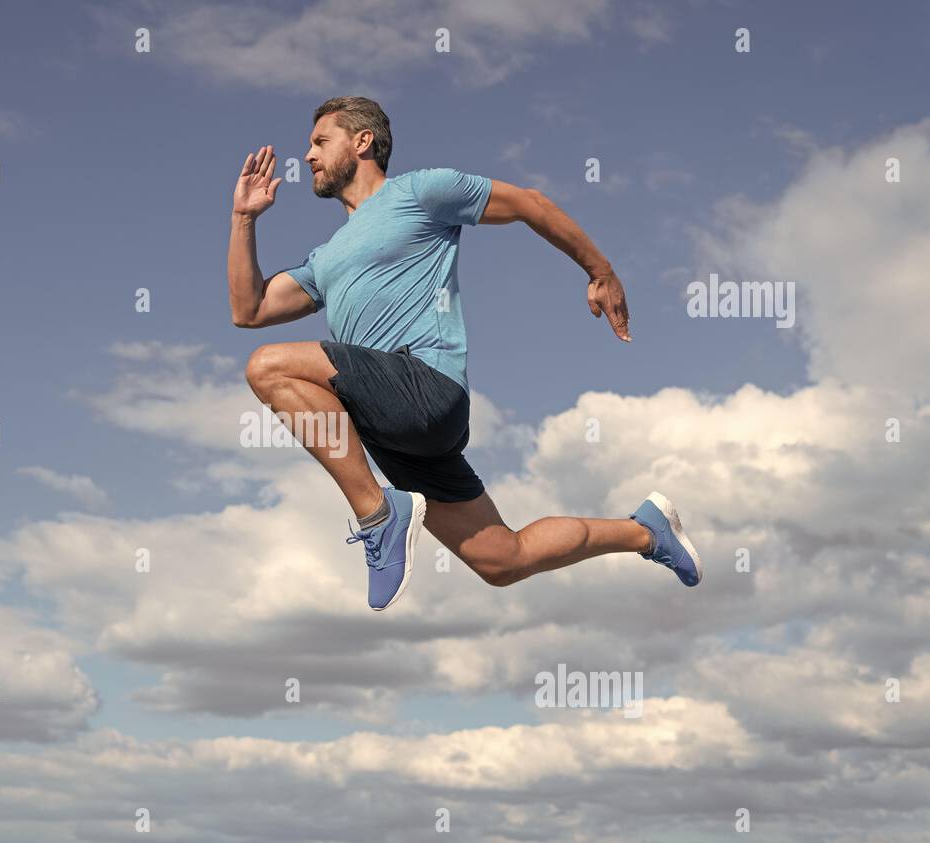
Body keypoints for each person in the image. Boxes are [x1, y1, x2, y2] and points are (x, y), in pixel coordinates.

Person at [228, 96, 701, 610]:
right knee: (502, 559)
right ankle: (646, 532)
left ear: (362, 142)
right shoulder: (324, 260)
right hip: (392, 429)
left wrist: (600, 271)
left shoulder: (420, 192)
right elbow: (249, 309)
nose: (308, 156)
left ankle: (377, 516)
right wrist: (243, 218)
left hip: (424, 386)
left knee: (268, 367)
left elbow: (529, 204)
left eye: (321, 141)